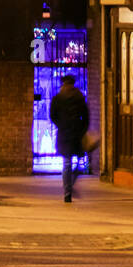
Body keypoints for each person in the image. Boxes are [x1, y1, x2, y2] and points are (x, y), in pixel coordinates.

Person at [50, 74, 89, 202]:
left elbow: (52, 115)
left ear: (63, 84)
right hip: (76, 133)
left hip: (64, 133)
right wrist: (83, 129)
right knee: (79, 163)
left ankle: (67, 192)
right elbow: (86, 115)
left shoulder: (57, 98)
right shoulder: (79, 97)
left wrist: (61, 125)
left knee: (66, 163)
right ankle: (71, 183)